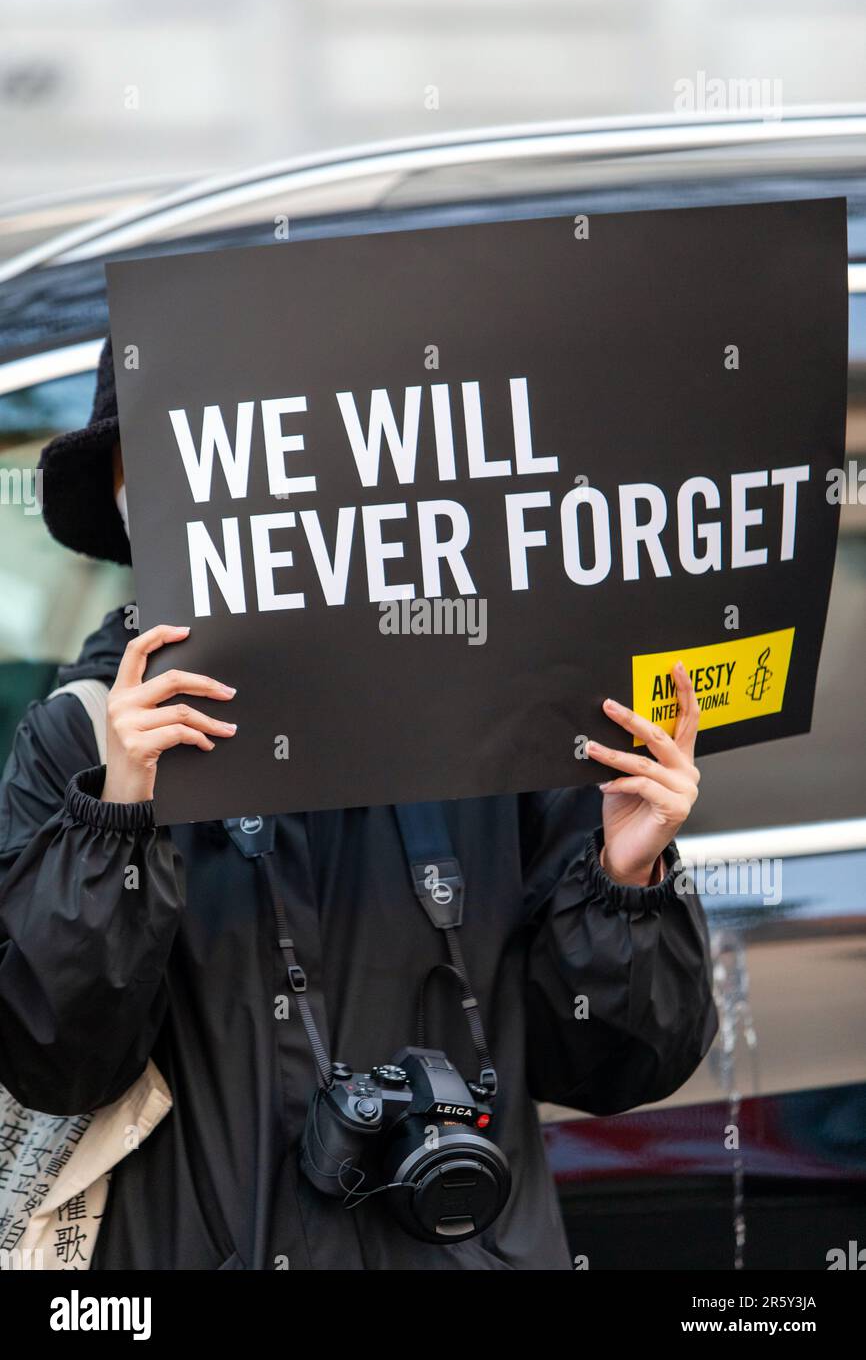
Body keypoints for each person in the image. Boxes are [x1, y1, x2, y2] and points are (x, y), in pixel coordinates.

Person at [0, 338, 717, 1270]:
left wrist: (627, 878)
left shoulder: (504, 724)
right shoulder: (81, 737)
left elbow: (618, 1068)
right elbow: (57, 1063)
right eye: (169, 462)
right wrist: (121, 820)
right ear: (124, 492)